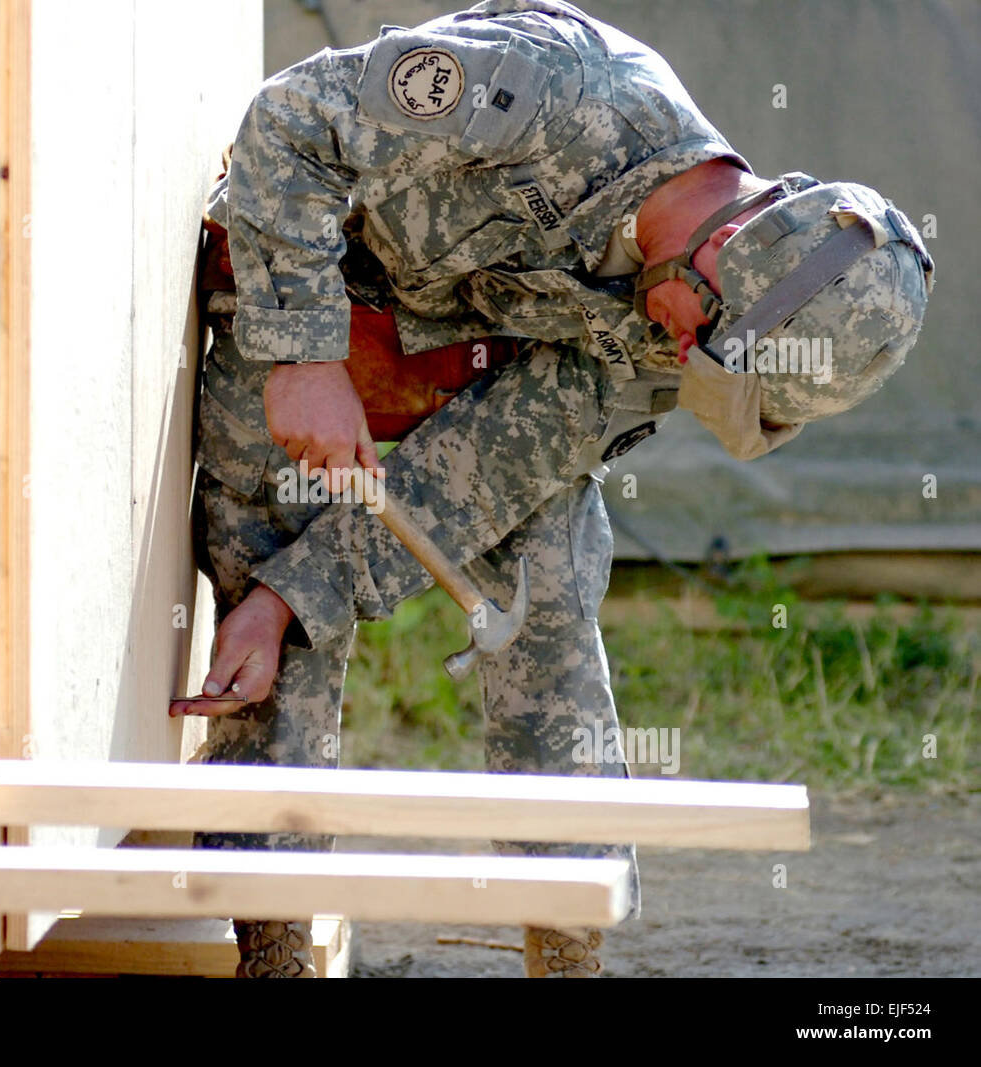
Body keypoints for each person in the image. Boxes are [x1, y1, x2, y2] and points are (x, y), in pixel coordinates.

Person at [170, 0, 933, 977]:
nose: (684, 358)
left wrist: (297, 594)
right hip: (295, 281)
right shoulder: (559, 94)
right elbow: (287, 122)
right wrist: (304, 355)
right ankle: (270, 935)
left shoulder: (674, 335)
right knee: (266, 568)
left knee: (550, 579)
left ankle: (567, 932)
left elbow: (486, 469)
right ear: (729, 248)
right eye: (703, 340)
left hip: (463, 359)